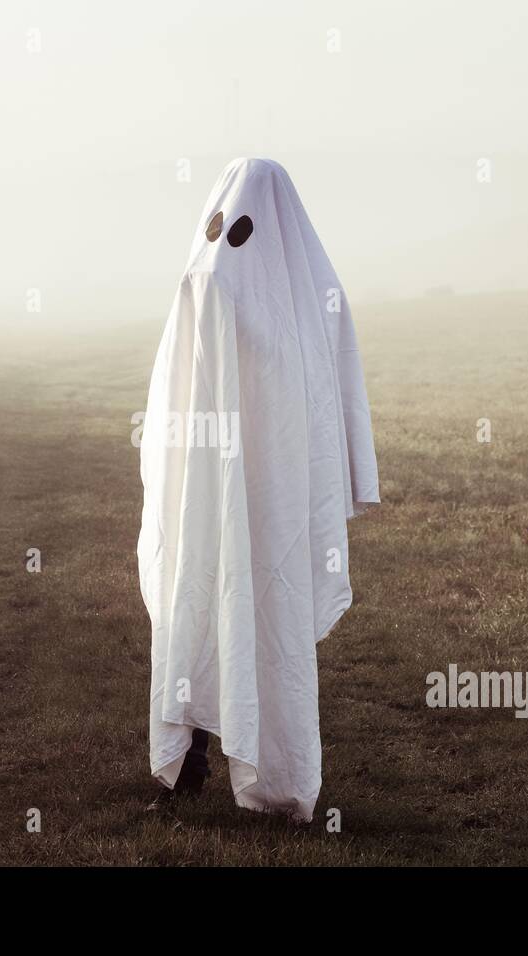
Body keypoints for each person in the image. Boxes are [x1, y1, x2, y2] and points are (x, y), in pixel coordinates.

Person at [137, 158, 379, 821]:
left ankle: (278, 782)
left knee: (265, 621)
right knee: (194, 618)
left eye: (239, 230)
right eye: (218, 228)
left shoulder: (309, 295)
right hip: (202, 497)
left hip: (271, 503)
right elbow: (172, 398)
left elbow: (327, 398)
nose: (223, 246)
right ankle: (186, 764)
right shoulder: (203, 281)